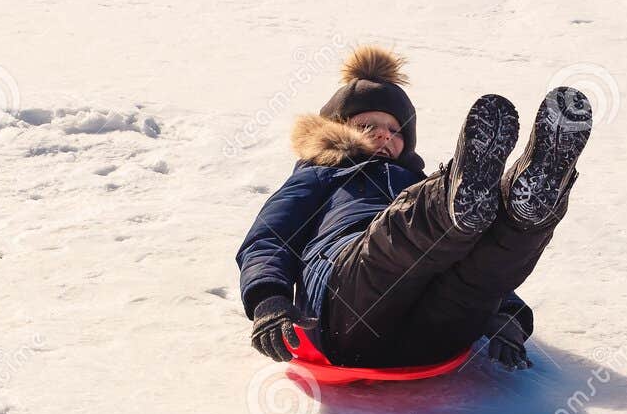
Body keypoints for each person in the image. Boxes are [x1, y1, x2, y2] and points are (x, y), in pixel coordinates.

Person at [236, 45, 592, 371]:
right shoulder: (320, 176)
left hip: (429, 341)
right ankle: (466, 211)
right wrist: (268, 298)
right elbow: (269, 240)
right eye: (366, 126)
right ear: (335, 130)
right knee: (397, 239)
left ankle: (527, 210)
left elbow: (487, 275)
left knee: (476, 275)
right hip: (347, 303)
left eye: (394, 129)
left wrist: (506, 318)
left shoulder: (413, 182)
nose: (383, 135)